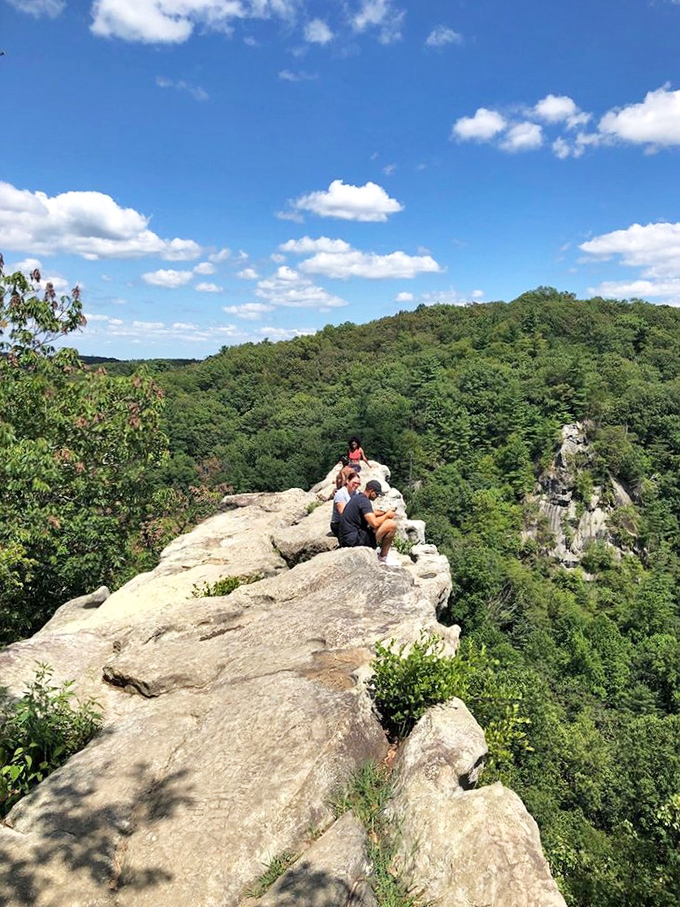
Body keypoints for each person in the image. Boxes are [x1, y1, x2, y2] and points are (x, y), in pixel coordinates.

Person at [338, 479, 399, 565]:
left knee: (380, 523)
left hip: (346, 538)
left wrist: (384, 512)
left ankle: (377, 549)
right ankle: (383, 557)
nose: (377, 496)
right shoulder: (364, 501)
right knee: (391, 524)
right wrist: (387, 516)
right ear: (371, 491)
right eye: (376, 494)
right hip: (353, 541)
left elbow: (371, 513)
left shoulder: (358, 498)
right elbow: (374, 523)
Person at [330, 471, 360, 537]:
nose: (356, 485)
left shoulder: (356, 493)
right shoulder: (340, 494)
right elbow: (343, 513)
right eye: (354, 483)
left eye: (358, 484)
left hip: (350, 521)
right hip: (339, 523)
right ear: (347, 481)